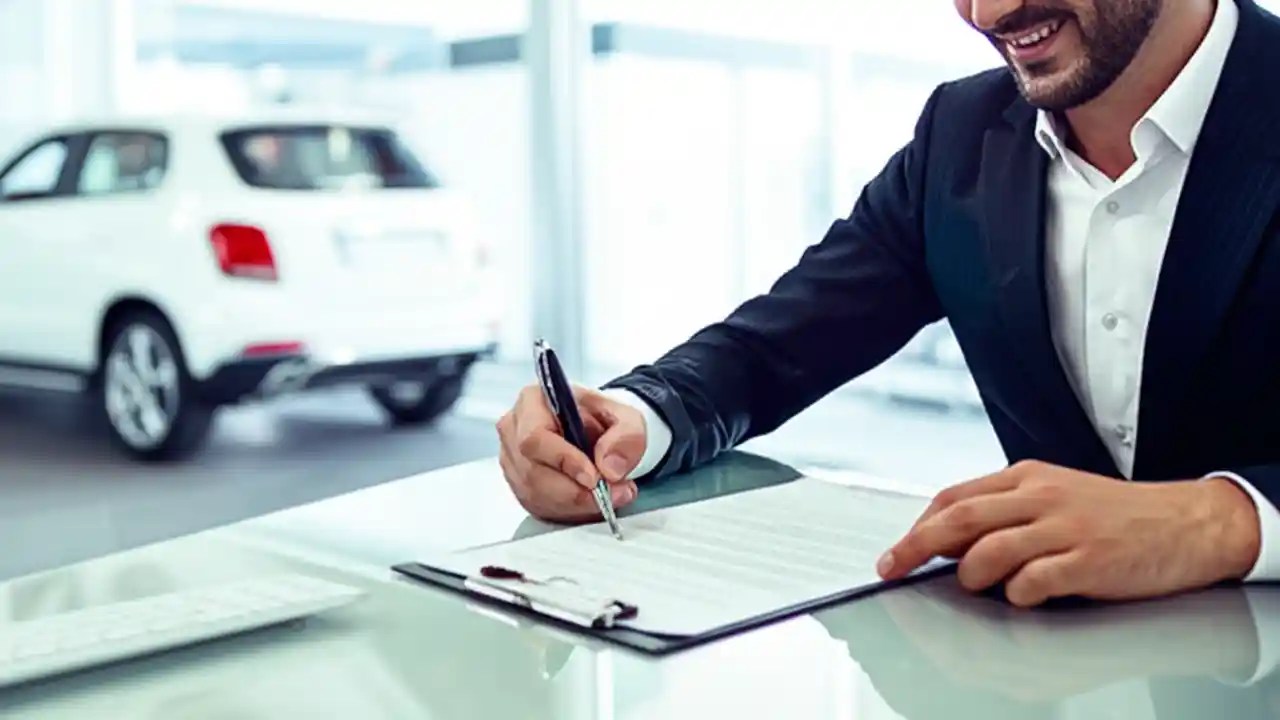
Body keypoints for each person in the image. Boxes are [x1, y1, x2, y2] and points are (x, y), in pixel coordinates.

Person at [497, 0, 1280, 608]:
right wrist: (631, 421)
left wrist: (1221, 522)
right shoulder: (961, 136)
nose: (986, 12)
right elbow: (777, 345)